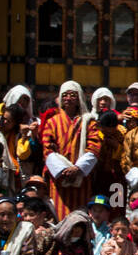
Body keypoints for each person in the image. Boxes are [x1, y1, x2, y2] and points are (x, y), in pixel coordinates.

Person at [41, 81, 102, 218]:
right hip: (59, 179)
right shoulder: (52, 122)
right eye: (65, 95)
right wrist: (62, 170)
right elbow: (47, 148)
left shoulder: (89, 122)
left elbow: (94, 146)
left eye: (73, 95)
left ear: (79, 98)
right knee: (58, 215)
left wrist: (78, 168)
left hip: (81, 177)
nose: (68, 98)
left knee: (80, 215)